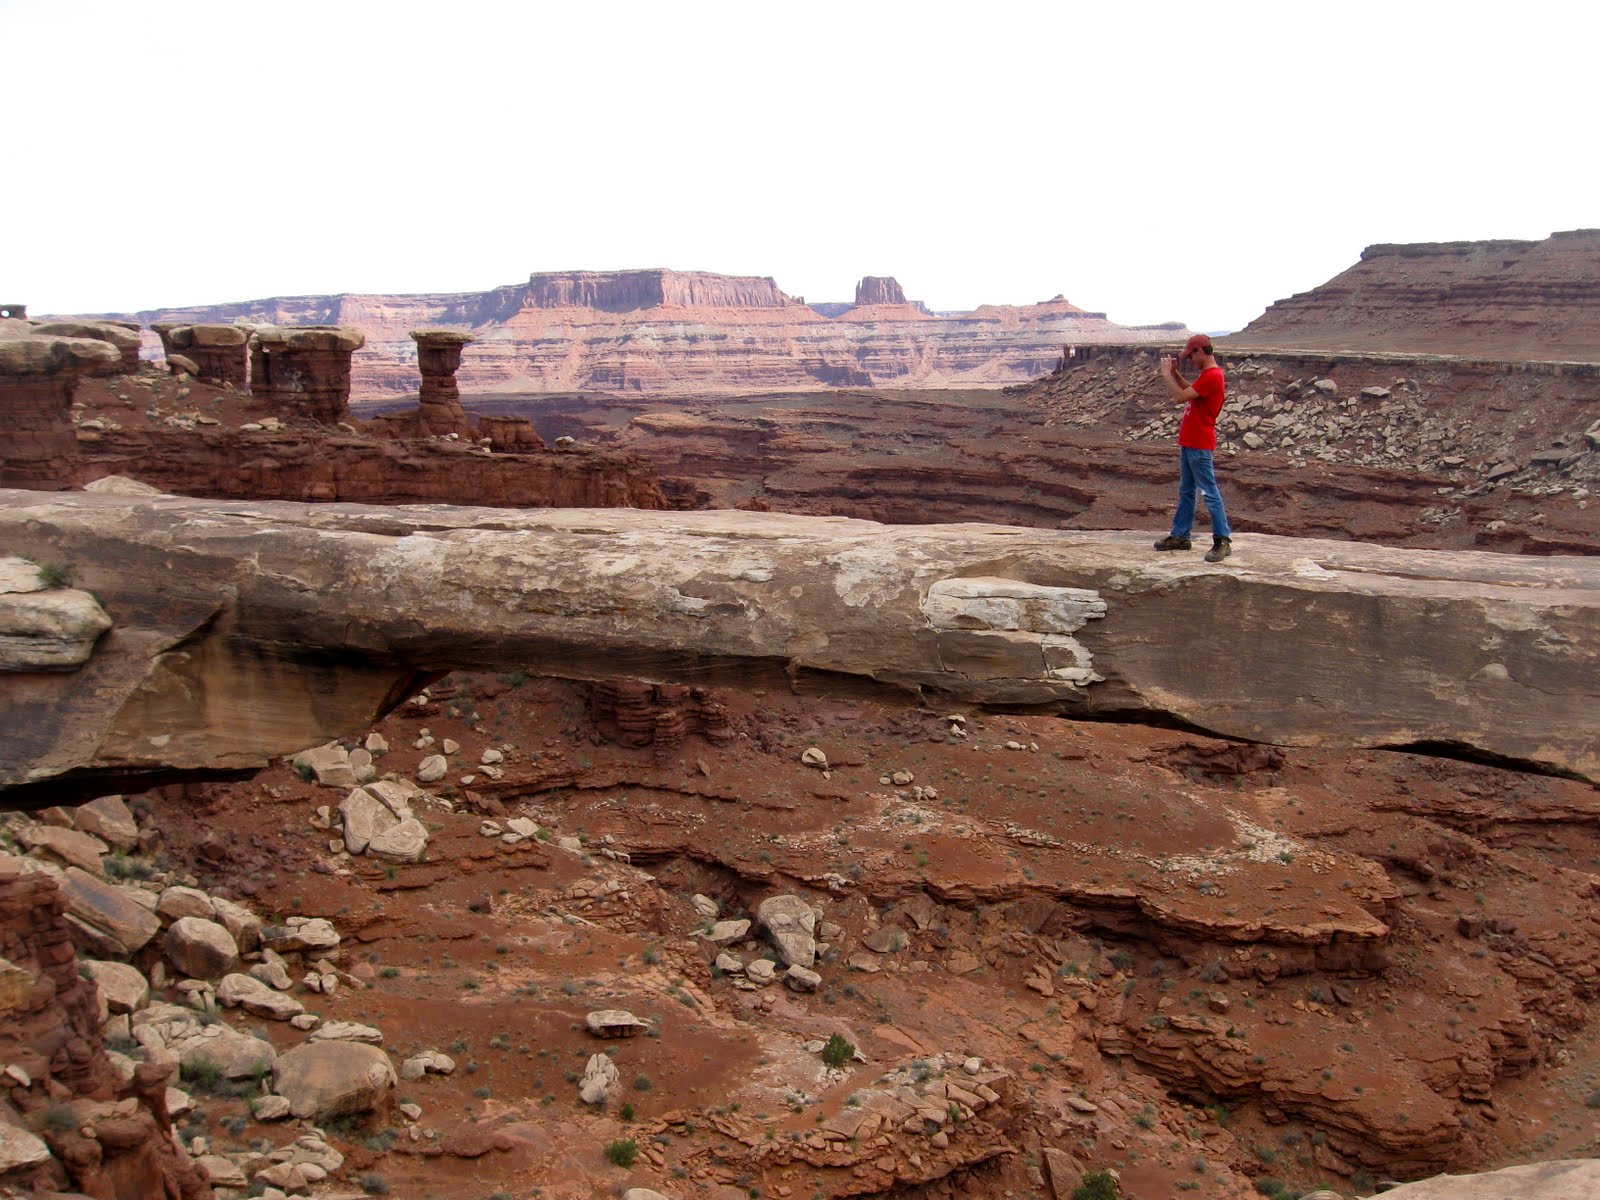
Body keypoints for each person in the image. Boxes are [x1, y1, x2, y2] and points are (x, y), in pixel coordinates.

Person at [1153, 333, 1232, 562]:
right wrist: (1176, 373)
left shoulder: (1213, 375)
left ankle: (1222, 540)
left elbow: (1179, 397)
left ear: (1200, 351)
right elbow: (1191, 393)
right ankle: (1180, 536)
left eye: (1191, 356)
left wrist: (1167, 375)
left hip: (1199, 444)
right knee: (1186, 491)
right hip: (1190, 443)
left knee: (1209, 492)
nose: (1190, 360)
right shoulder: (1207, 376)